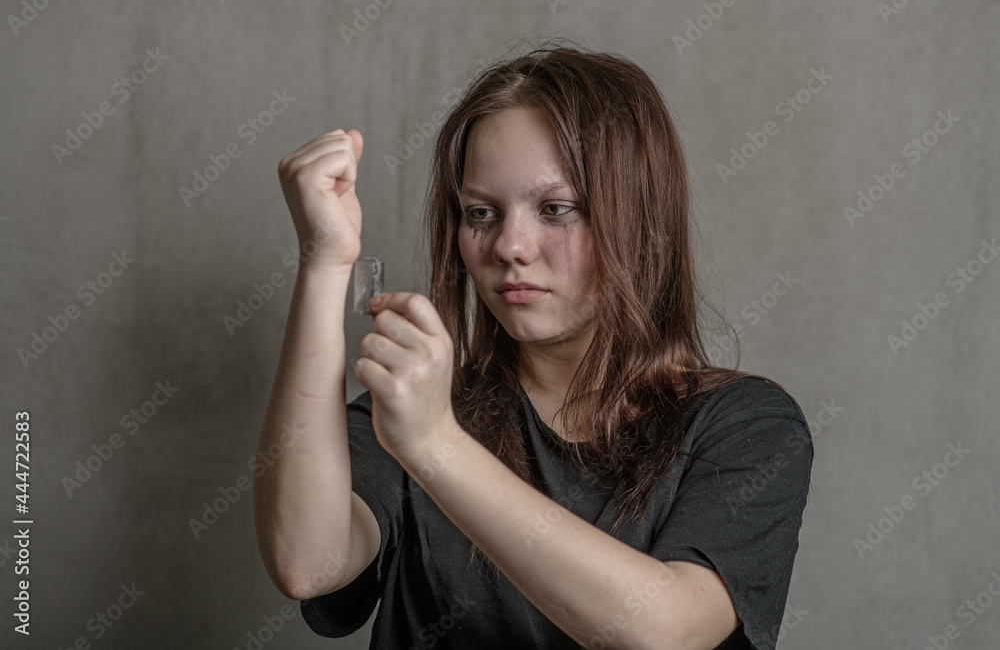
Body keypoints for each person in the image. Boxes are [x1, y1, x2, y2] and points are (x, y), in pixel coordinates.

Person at [253, 42, 814, 650]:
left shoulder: (746, 427)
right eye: (481, 213)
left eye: (556, 209)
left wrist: (436, 447)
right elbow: (307, 563)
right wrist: (322, 262)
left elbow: (666, 630)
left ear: (638, 218)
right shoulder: (408, 416)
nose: (509, 246)